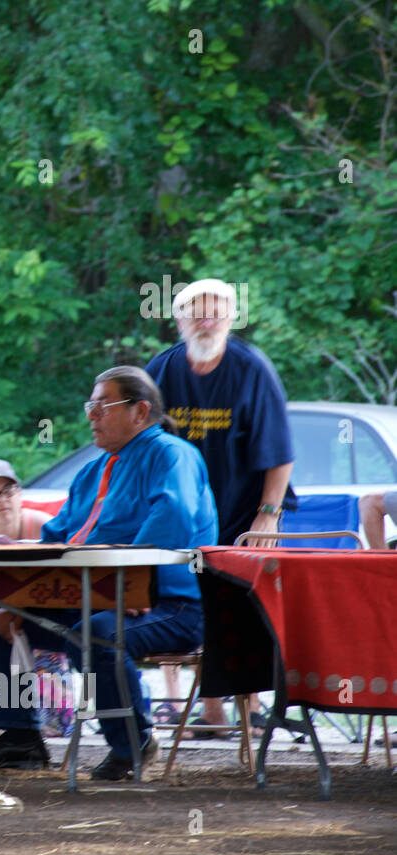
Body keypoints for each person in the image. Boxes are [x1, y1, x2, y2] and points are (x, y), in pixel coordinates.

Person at [0, 367, 218, 780]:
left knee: (95, 632)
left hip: (170, 603)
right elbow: (56, 538)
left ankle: (132, 743)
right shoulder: (91, 472)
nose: (91, 415)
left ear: (140, 411)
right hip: (93, 599)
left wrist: (128, 587)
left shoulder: (172, 454)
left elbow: (173, 516)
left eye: (101, 405)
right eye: (89, 406)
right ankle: (20, 736)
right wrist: (19, 599)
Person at [145, 278, 294, 734]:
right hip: (185, 515)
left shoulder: (252, 369)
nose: (205, 320)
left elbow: (280, 452)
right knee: (195, 606)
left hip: (245, 510)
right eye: (195, 312)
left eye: (215, 312)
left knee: (244, 607)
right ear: (179, 320)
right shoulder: (162, 371)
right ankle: (212, 712)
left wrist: (267, 516)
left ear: (231, 319)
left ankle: (248, 708)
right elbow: (141, 441)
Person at [0, 459, 73, 736]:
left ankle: (19, 726)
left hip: (47, 641)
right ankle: (9, 724)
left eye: (8, 490)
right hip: (8, 646)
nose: (1, 499)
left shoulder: (45, 529)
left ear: (20, 494)